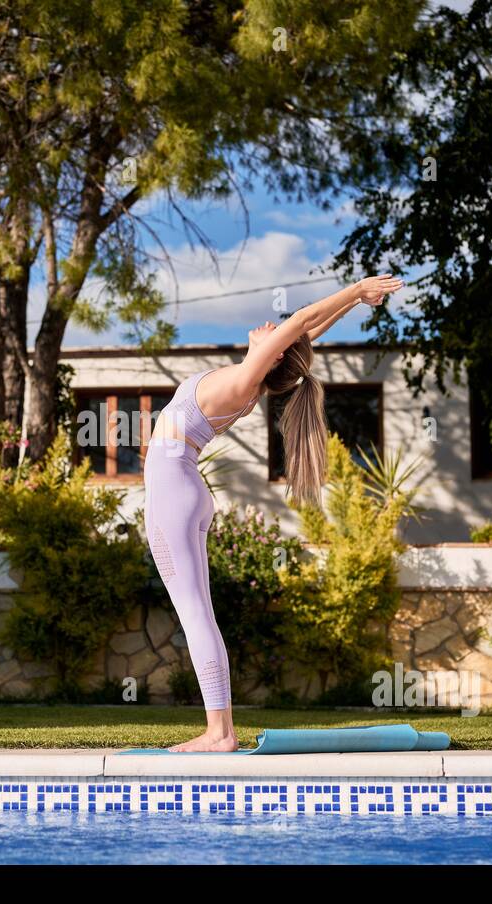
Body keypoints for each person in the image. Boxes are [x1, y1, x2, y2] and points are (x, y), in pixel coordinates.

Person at [143, 274, 404, 751]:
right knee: (199, 613)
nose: (270, 325)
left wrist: (354, 290)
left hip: (173, 489)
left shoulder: (247, 379)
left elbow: (302, 322)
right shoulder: (252, 380)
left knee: (195, 614)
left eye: (277, 334)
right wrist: (352, 304)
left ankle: (219, 733)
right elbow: (307, 333)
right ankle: (219, 730)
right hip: (185, 489)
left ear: (276, 355)